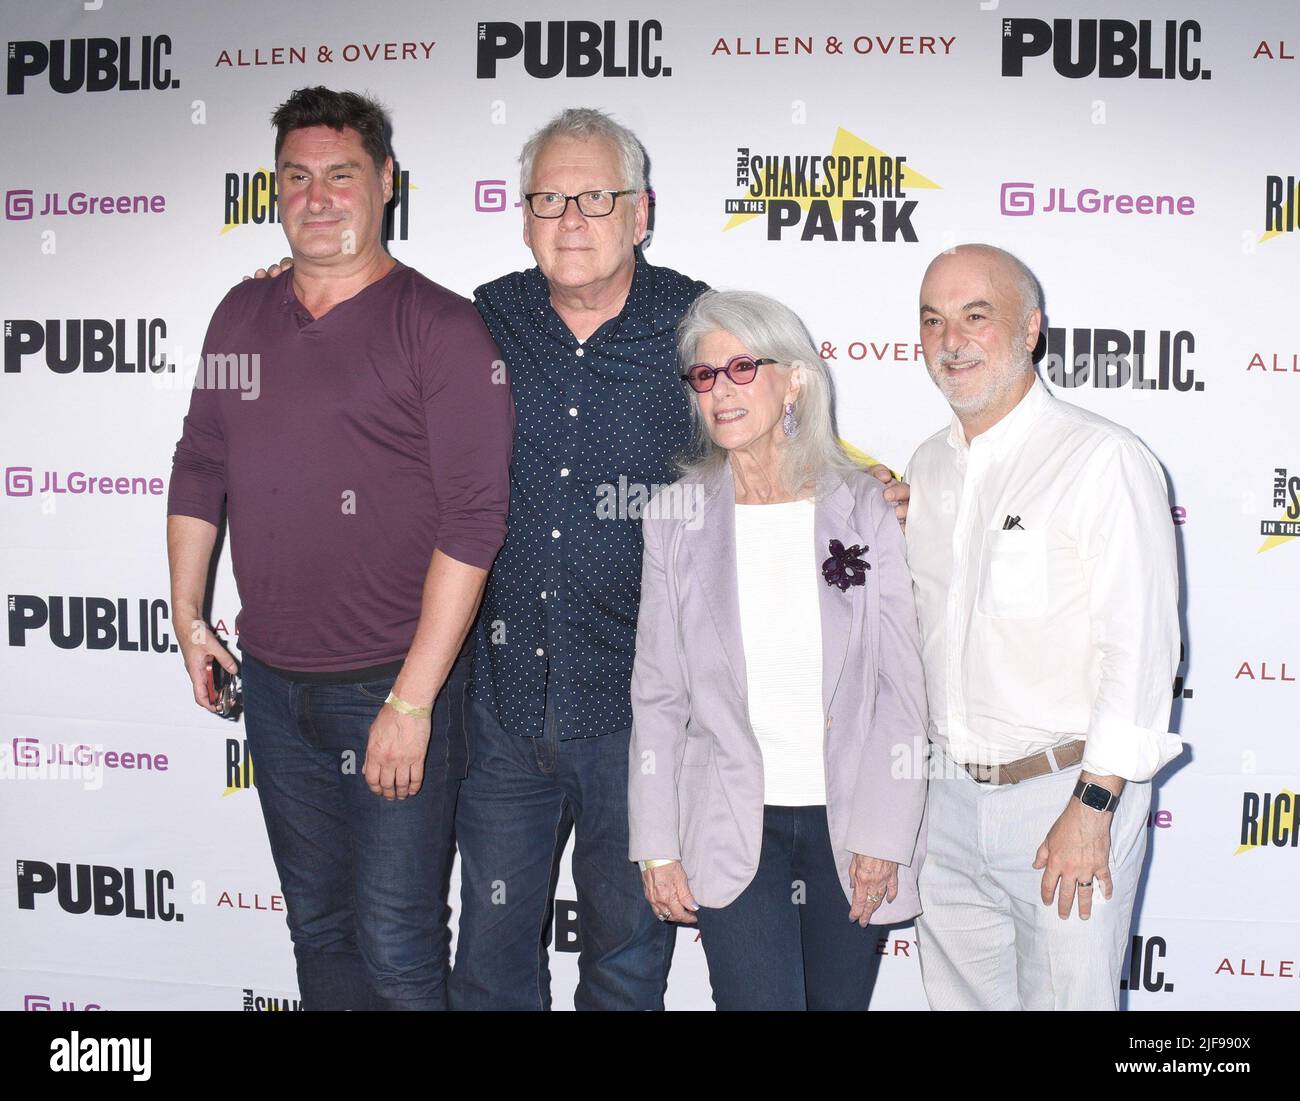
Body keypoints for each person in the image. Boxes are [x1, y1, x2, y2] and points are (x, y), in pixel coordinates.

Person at [251, 106, 910, 1011]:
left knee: (626, 963)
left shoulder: (692, 321)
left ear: (642, 212)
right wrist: (292, 286)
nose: (571, 221)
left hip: (639, 723)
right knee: (490, 961)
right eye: (550, 199)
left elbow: (775, 413)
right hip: (499, 713)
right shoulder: (479, 320)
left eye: (596, 199)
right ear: (522, 216)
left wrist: (876, 478)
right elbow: (362, 341)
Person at [166, 86, 513, 1010]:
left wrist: (411, 699)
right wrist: (189, 617)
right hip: (275, 692)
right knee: (317, 932)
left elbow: (475, 520)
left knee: (398, 944)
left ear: (387, 184)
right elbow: (200, 466)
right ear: (275, 188)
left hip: (391, 689)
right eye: (297, 177)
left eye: (342, 176)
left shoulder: (439, 328)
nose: (317, 198)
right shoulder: (240, 316)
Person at [628, 289, 929, 1010]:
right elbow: (658, 692)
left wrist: (886, 833)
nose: (720, 391)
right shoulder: (673, 515)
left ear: (794, 378)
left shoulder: (863, 504)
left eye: (740, 367)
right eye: (704, 376)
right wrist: (657, 841)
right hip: (731, 824)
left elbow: (900, 687)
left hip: (851, 823)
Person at [903, 243, 1183, 1010]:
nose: (950, 340)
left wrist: (1094, 808)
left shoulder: (1102, 459)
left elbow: (1141, 646)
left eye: (975, 315)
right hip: (947, 802)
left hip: (1065, 796)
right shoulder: (926, 467)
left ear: (1030, 330)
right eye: (932, 320)